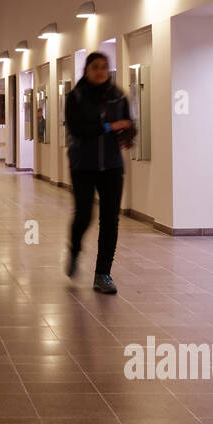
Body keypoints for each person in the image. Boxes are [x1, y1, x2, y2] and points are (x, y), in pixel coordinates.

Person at [64, 52, 135, 294]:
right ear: (87, 70)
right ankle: (74, 250)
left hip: (112, 166)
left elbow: (129, 123)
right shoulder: (75, 97)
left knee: (110, 219)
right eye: (95, 67)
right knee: (84, 215)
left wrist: (128, 136)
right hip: (83, 164)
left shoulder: (118, 97)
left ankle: (103, 273)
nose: (100, 71)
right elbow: (78, 129)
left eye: (104, 67)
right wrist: (110, 126)